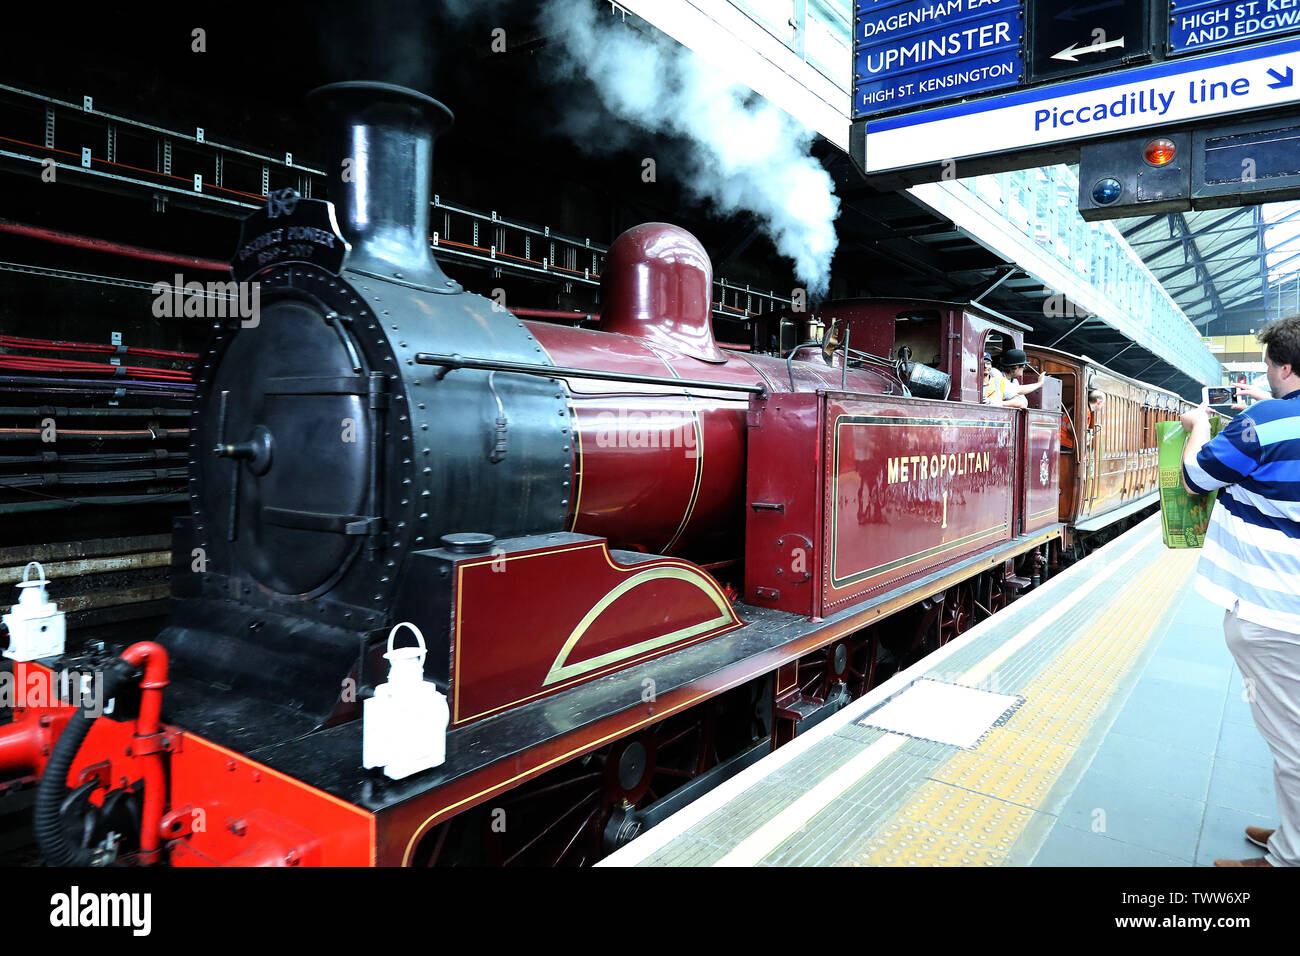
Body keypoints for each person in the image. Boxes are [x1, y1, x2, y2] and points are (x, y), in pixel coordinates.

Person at [1180, 313, 1300, 867]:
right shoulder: (1266, 420)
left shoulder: (1263, 422)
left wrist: (1199, 431)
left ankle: (1286, 859)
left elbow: (1195, 479)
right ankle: (1288, 835)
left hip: (1276, 613)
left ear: (1285, 367)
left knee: (1291, 745)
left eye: (1270, 367)